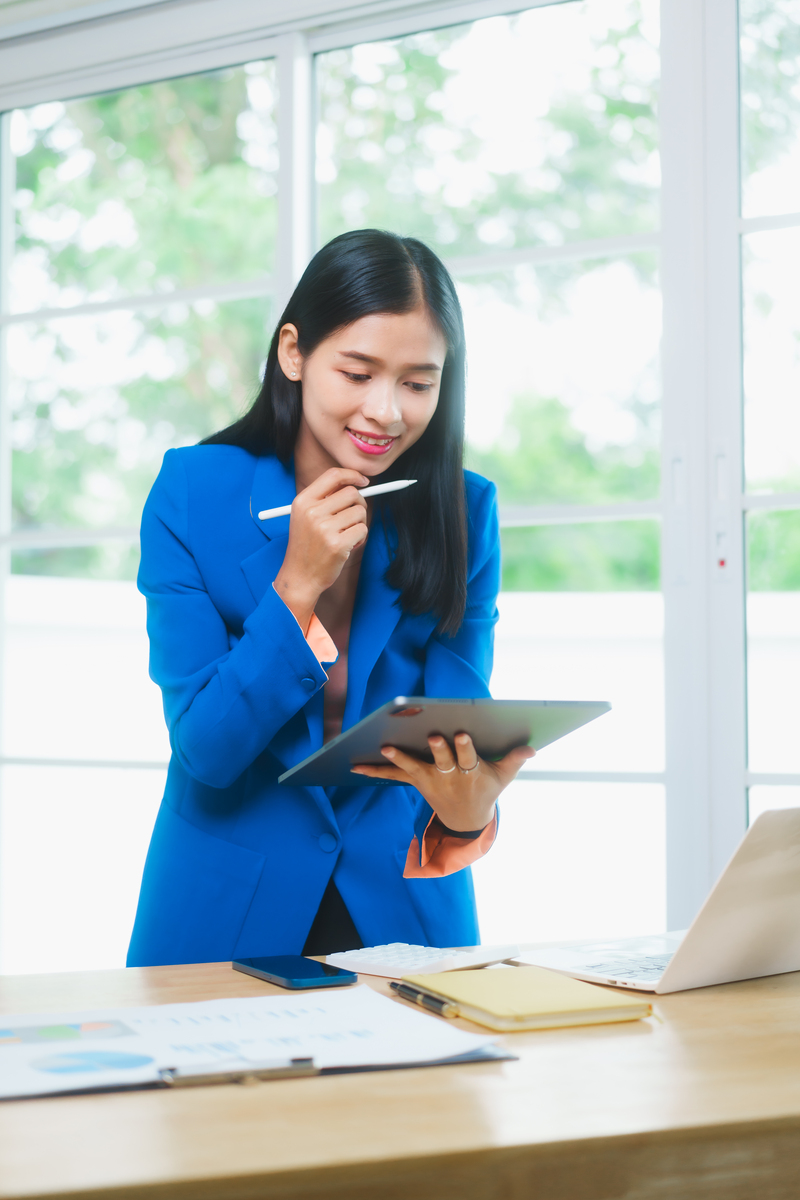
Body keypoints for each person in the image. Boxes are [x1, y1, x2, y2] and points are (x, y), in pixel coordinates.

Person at [127, 229, 534, 968]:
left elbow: (455, 737)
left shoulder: (462, 511)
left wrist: (471, 810)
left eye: (418, 383)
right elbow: (208, 750)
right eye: (357, 372)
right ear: (294, 354)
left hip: (405, 917)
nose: (387, 411)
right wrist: (298, 582)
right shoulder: (193, 494)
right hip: (223, 918)